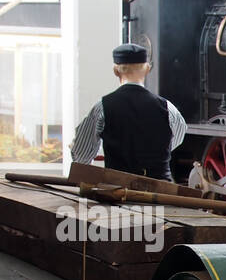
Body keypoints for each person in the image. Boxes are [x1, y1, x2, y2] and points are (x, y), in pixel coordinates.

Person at [69, 43, 186, 180]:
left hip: (117, 190)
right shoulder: (167, 108)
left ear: (116, 71)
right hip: (161, 190)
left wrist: (76, 150)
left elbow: (81, 155)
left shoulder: (102, 107)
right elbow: (177, 138)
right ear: (147, 69)